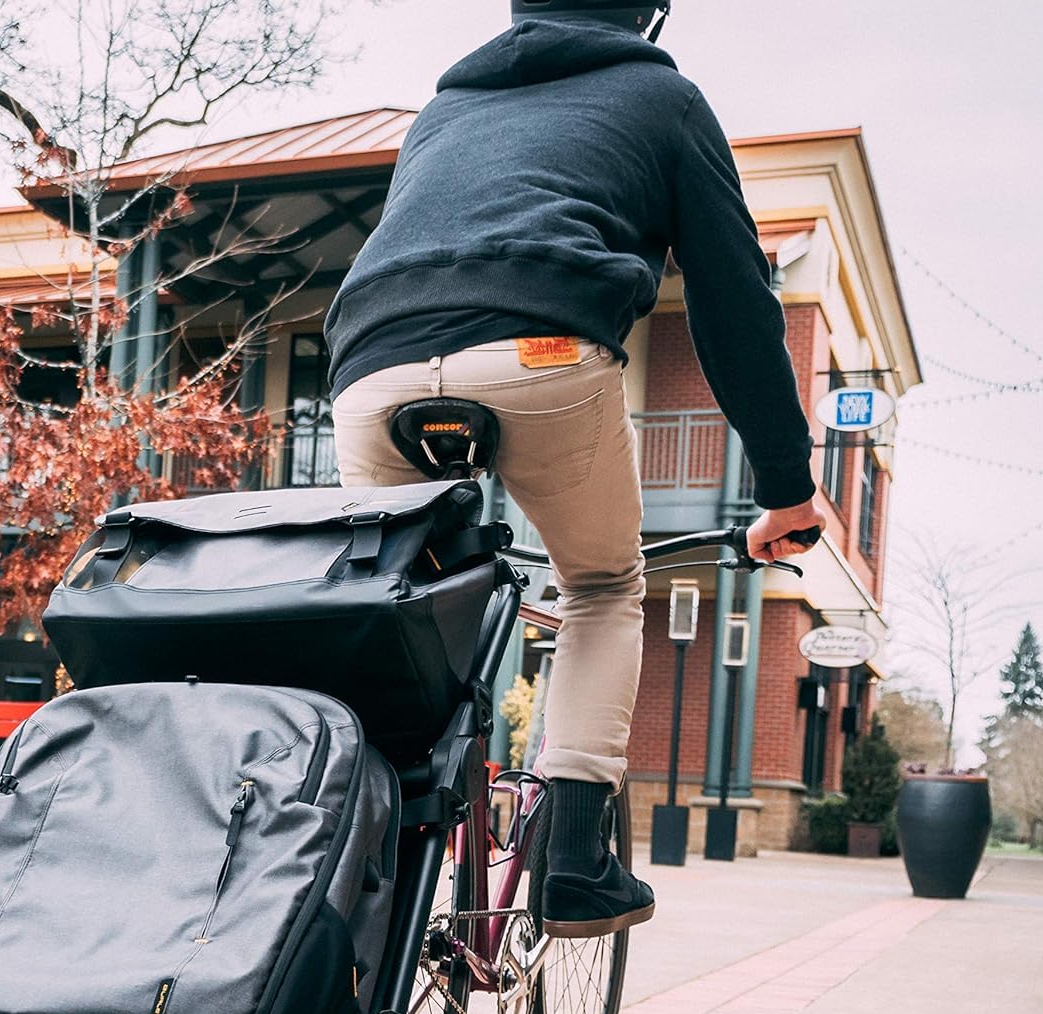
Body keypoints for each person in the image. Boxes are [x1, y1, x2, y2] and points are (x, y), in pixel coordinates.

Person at [325, 0, 827, 939]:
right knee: (603, 586)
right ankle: (572, 869)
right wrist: (786, 487)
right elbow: (735, 305)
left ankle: (360, 844)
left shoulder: (444, 112)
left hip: (369, 375)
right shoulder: (660, 97)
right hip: (542, 356)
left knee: (388, 612)